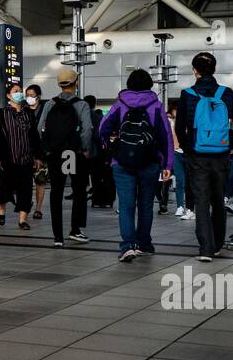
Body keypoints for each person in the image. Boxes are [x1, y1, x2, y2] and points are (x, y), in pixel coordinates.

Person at [99, 69, 173, 261]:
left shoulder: (119, 104)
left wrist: (111, 146)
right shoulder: (156, 106)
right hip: (150, 162)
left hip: (122, 161)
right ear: (150, 85)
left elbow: (102, 128)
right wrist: (168, 164)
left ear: (129, 84)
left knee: (126, 205)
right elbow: (166, 137)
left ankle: (127, 247)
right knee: (146, 205)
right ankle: (144, 245)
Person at [176, 52, 233, 262]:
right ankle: (217, 245)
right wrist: (228, 143)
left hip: (197, 155)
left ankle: (205, 248)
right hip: (222, 155)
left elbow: (179, 128)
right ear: (214, 69)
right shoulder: (227, 93)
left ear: (194, 70)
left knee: (201, 200)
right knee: (218, 198)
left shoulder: (187, 94)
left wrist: (188, 149)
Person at [37, 68, 94, 247]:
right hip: (73, 154)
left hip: (55, 154)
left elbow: (40, 128)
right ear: (75, 83)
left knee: (56, 192)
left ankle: (58, 237)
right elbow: (87, 130)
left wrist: (48, 148)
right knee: (78, 191)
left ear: (59, 84)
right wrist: (84, 148)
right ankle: (75, 230)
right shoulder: (82, 104)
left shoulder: (50, 104)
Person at [0, 82, 43, 230]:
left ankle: (22, 220)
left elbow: (34, 137)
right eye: (15, 91)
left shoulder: (28, 113)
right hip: (8, 159)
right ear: (8, 95)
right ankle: (1, 208)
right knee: (5, 187)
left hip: (25, 158)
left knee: (25, 189)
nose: (19, 93)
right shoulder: (0, 114)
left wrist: (38, 156)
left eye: (20, 91)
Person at [85, 94, 114, 208]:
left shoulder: (84, 115)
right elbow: (100, 135)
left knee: (93, 176)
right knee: (100, 176)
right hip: (97, 151)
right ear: (94, 103)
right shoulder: (98, 117)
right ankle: (103, 199)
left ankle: (96, 198)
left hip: (84, 150)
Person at [26, 84, 48, 220]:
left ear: (38, 96)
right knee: (26, 182)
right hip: (26, 152)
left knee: (40, 181)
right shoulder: (23, 111)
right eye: (27, 95)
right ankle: (27, 203)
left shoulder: (46, 110)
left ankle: (38, 209)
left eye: (32, 95)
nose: (29, 98)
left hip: (42, 152)